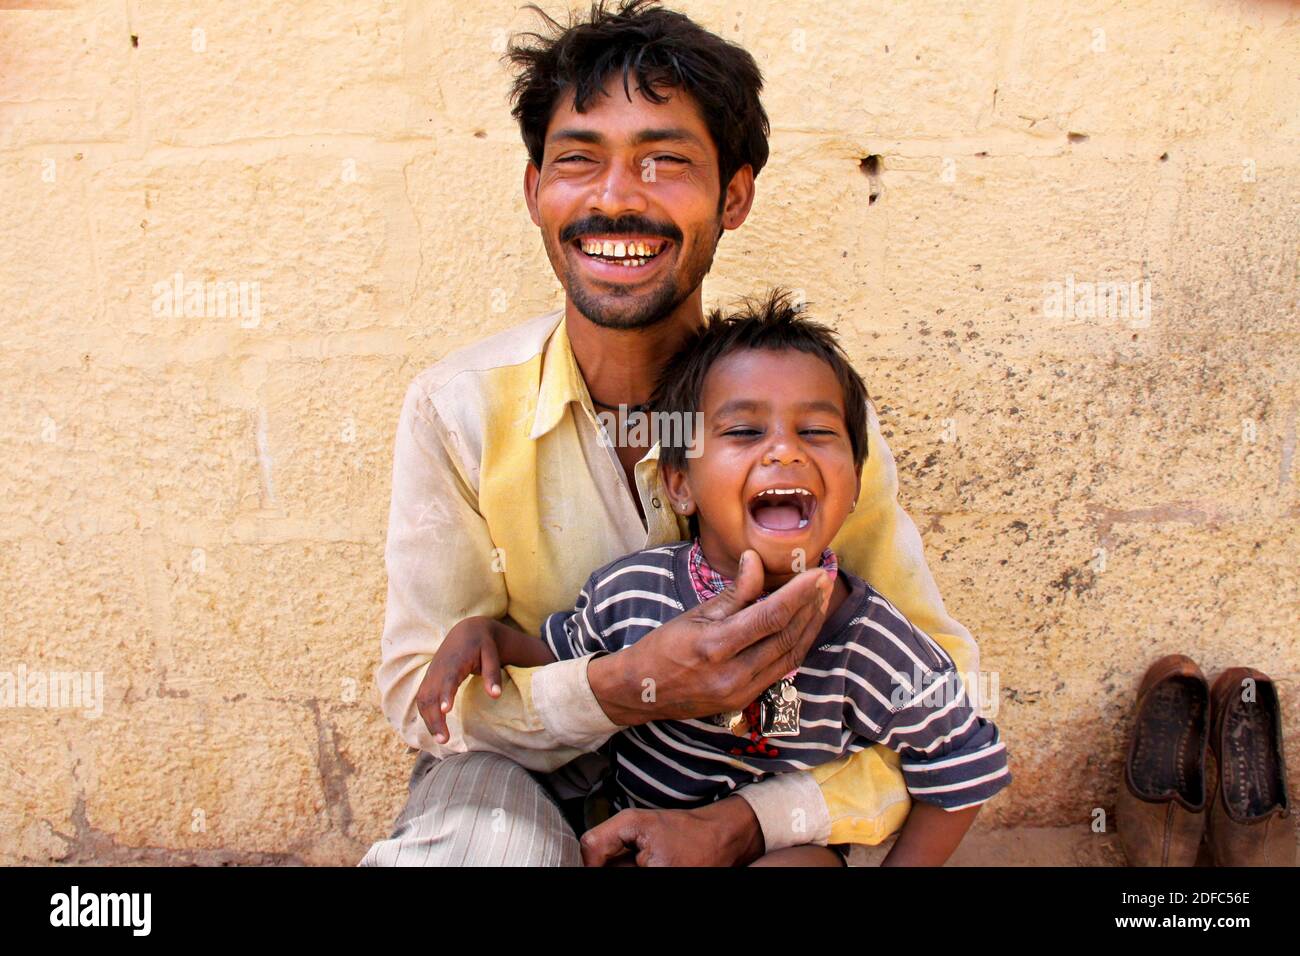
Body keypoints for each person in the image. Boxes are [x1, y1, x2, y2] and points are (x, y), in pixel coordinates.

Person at [362, 0, 984, 867]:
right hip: (527, 771)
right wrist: (624, 688)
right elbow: (420, 697)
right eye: (579, 160)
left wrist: (745, 823)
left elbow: (945, 699)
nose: (617, 199)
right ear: (536, 190)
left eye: (665, 161)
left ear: (733, 195)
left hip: (748, 779)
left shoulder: (812, 427)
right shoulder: (456, 412)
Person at [421, 291, 1011, 866]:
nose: (785, 451)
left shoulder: (874, 644)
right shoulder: (633, 592)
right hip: (635, 838)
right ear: (680, 484)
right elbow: (554, 656)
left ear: (856, 483)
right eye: (744, 432)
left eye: (817, 432)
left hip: (780, 848)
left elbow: (963, 764)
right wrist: (487, 637)